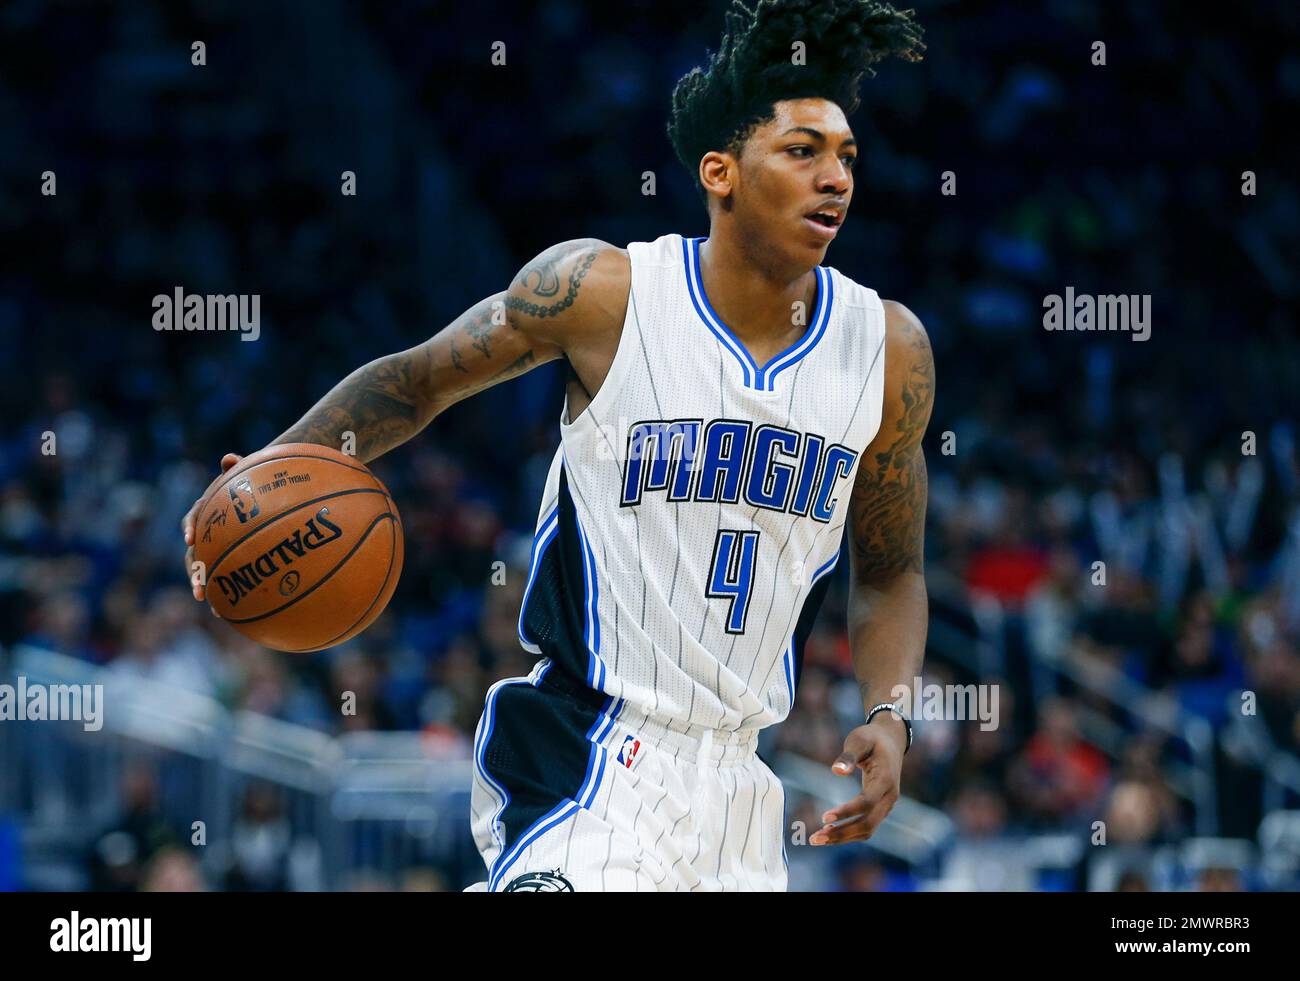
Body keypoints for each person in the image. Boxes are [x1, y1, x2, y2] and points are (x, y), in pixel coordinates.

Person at [182, 0, 932, 891]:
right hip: (583, 754)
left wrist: (891, 713)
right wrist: (266, 470)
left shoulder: (885, 351)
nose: (835, 178)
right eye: (802, 152)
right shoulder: (603, 294)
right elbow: (420, 380)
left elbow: (889, 568)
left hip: (740, 791)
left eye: (846, 156)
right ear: (721, 171)